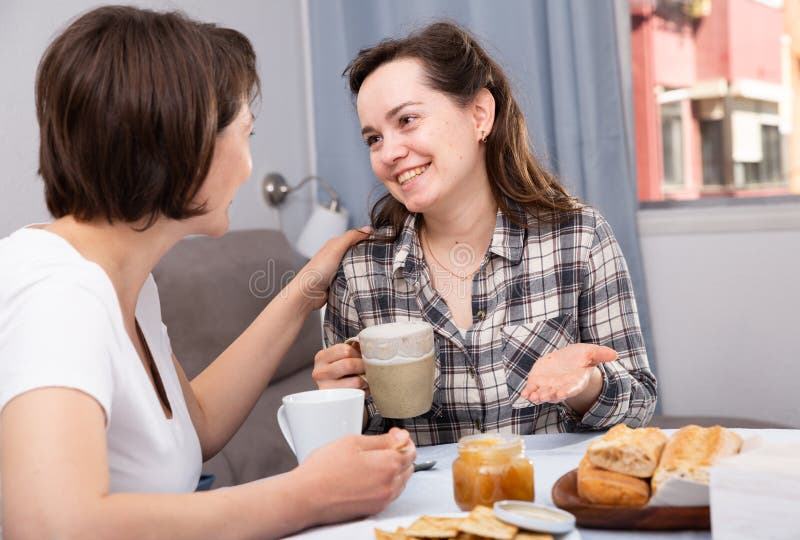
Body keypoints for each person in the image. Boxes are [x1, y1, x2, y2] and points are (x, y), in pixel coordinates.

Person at [0, 6, 416, 539]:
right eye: (245, 133)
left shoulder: (128, 283)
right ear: (184, 143)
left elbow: (196, 426)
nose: (248, 163)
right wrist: (307, 494)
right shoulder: (55, 288)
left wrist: (305, 288)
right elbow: (47, 526)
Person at [313, 22, 657, 446]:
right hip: (424, 509)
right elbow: (355, 446)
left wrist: (585, 383)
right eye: (373, 138)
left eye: (407, 120)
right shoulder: (361, 272)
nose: (388, 153)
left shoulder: (579, 238)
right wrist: (340, 405)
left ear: (480, 115)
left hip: (544, 503)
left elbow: (640, 404)